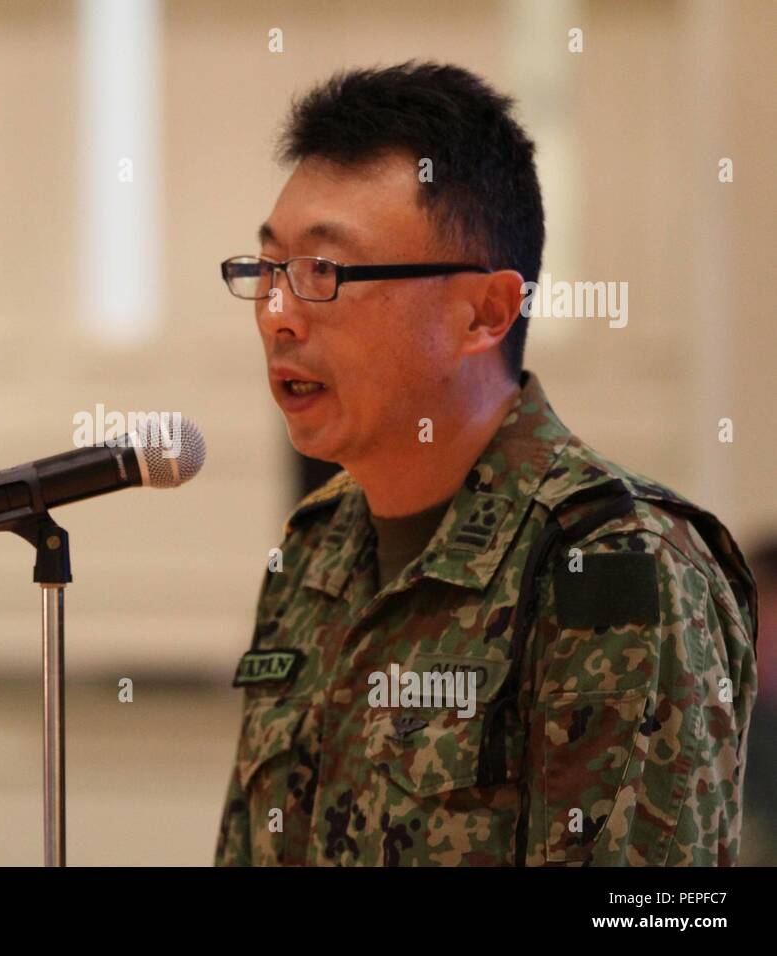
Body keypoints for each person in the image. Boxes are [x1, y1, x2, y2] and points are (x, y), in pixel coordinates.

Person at [214, 62, 757, 866]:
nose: (278, 315)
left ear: (486, 313)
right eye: (268, 269)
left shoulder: (615, 564)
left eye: (325, 272)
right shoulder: (311, 549)